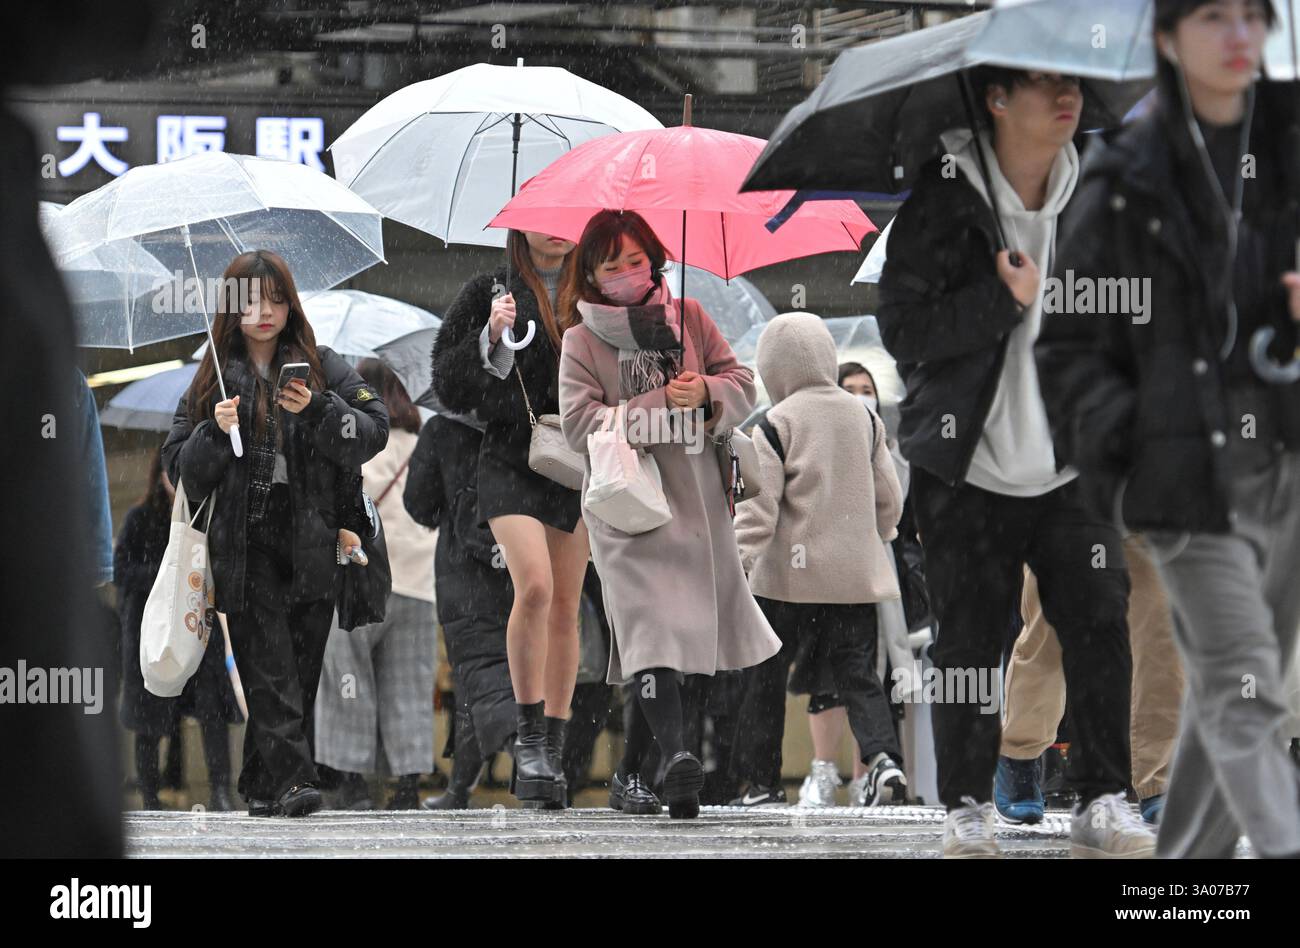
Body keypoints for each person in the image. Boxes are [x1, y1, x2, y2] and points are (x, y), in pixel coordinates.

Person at [1036, 0, 1300, 858]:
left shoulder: (1286, 153)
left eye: (1252, 17)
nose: (1237, 35)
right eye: (1212, 16)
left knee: (1238, 693)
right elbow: (1066, 343)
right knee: (1246, 690)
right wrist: (1136, 445)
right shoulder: (1126, 179)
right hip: (1183, 480)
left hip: (1283, 465)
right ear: (1165, 38)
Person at [878, 65, 1155, 857]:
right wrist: (1001, 302)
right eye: (1041, 84)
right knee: (968, 638)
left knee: (1100, 623)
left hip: (1071, 461)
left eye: (1072, 83)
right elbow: (903, 331)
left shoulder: (1104, 193)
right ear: (996, 100)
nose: (1064, 97)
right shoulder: (944, 202)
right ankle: (966, 804)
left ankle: (1106, 797)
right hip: (967, 462)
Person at [557, 209, 782, 819]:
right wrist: (658, 400)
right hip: (626, 507)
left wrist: (707, 392)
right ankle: (681, 757)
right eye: (612, 265)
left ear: (655, 258)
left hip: (697, 500)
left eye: (636, 260)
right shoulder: (581, 340)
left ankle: (636, 775)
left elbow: (742, 380)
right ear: (592, 275)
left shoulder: (691, 319)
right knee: (650, 630)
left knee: (686, 642)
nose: (628, 274)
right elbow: (579, 426)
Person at [163, 249, 389, 818]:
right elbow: (178, 469)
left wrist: (317, 409)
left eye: (277, 297)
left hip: (313, 537)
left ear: (291, 303)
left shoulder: (323, 365)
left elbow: (373, 431)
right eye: (251, 300)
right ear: (231, 309)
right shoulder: (213, 377)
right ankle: (294, 779)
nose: (264, 311)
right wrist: (215, 432)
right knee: (268, 666)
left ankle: (264, 784)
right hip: (246, 541)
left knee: (303, 669)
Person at [431, 230, 589, 808]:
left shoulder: (591, 290)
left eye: (565, 219)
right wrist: (489, 337)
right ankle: (528, 739)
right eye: (541, 218)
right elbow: (446, 384)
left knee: (568, 606)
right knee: (537, 587)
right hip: (509, 457)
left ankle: (553, 744)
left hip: (574, 459)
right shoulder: (488, 292)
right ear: (520, 227)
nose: (555, 230)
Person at [731, 315, 906, 808]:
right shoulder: (865, 418)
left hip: (787, 581)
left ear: (773, 368)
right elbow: (888, 497)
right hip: (852, 581)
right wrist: (883, 533)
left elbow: (759, 509)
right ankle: (883, 759)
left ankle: (763, 783)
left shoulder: (775, 423)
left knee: (764, 678)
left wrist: (741, 563)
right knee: (858, 675)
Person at [790, 361, 930, 807]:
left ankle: (868, 775)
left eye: (866, 388)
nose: (859, 395)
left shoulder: (893, 450)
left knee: (878, 678)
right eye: (848, 388)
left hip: (884, 577)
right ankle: (824, 770)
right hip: (828, 576)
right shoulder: (816, 445)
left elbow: (899, 514)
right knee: (830, 672)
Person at [314, 359, 438, 810]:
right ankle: (407, 787)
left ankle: (352, 784)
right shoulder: (423, 446)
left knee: (348, 682)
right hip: (418, 588)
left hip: (360, 582)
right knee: (408, 686)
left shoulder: (356, 445)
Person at [115, 445, 242, 811]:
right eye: (174, 473)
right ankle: (151, 796)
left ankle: (220, 791)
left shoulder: (206, 516)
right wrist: (166, 576)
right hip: (151, 629)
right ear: (160, 474)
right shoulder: (141, 517)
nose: (179, 482)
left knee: (210, 707)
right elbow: (121, 571)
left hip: (196, 628)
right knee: (150, 712)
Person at [404, 408, 516, 810]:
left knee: (480, 674)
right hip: (522, 565)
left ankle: (528, 754)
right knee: (503, 673)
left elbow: (418, 503)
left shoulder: (442, 428)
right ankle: (460, 788)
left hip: (463, 576)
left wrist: (450, 498)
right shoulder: (523, 418)